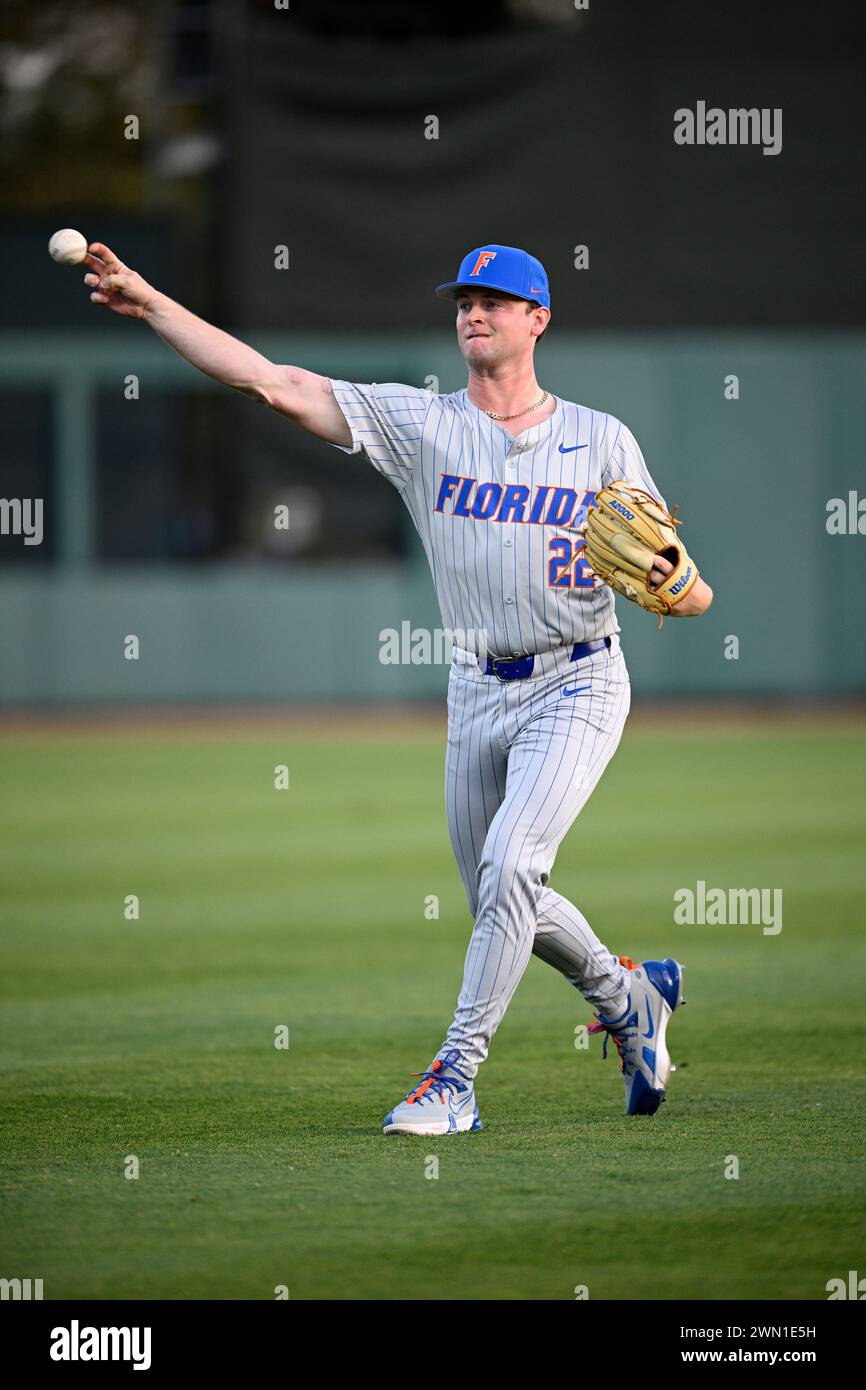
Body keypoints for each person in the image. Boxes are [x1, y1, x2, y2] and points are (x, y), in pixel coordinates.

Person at [84, 240, 713, 1135]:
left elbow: (689, 592)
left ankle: (454, 1080)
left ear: (537, 319)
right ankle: (629, 999)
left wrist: (678, 586)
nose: (473, 313)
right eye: (464, 299)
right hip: (475, 689)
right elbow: (271, 381)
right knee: (500, 897)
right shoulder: (422, 425)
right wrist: (150, 302)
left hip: (577, 680)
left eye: (494, 300)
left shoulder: (601, 440)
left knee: (511, 868)